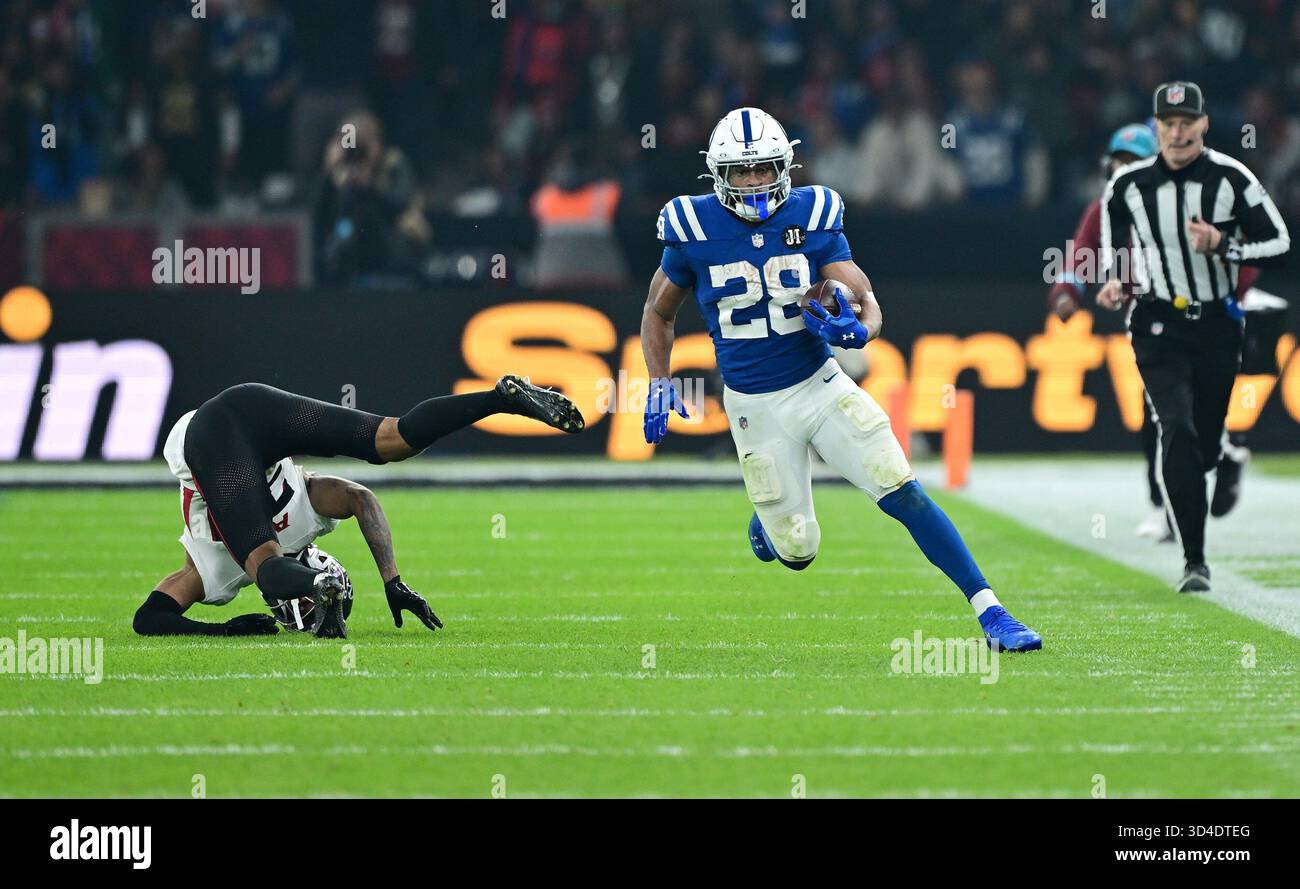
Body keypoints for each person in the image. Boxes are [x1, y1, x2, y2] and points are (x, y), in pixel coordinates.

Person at [640, 107, 1041, 652]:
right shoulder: (691, 225)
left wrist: (861, 329)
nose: (756, 181)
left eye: (765, 168)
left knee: (900, 487)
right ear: (719, 174)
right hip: (754, 407)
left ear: (786, 166)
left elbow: (866, 297)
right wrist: (659, 381)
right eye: (743, 171)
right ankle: (768, 523)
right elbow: (658, 312)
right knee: (798, 551)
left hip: (818, 384)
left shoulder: (813, 211)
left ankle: (992, 612)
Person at [133, 377, 584, 638]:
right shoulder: (306, 514)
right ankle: (498, 398)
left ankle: (502, 399)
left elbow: (149, 618)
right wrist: (393, 580)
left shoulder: (210, 570)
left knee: (264, 568)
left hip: (211, 434)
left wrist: (225, 630)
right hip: (252, 406)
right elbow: (359, 498)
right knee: (393, 439)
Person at [1098, 82, 1291, 592]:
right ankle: (1194, 559)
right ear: (1157, 126)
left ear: (1204, 124)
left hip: (1216, 326)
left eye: (1187, 123)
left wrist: (1225, 244)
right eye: (1169, 123)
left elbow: (1279, 242)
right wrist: (1118, 281)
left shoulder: (1232, 178)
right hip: (1156, 322)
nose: (1178, 132)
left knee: (1201, 443)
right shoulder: (1128, 186)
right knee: (1175, 429)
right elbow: (1115, 236)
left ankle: (1223, 456)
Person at [1047, 122, 1254, 542]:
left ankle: (1222, 457)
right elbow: (1079, 256)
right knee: (1159, 415)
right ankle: (1164, 505)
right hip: (1153, 323)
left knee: (1189, 416)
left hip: (1206, 317)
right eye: (1118, 165)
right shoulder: (1106, 209)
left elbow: (1243, 252)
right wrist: (1066, 292)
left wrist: (1233, 294)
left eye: (1133, 164)